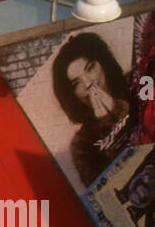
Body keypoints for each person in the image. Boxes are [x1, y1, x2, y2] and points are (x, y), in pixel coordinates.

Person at [51, 31, 135, 190]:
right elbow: (107, 192)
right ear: (72, 95)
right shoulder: (82, 145)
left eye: (90, 68)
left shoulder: (139, 80)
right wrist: (107, 125)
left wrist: (117, 110)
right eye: (76, 83)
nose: (88, 83)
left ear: (102, 63)